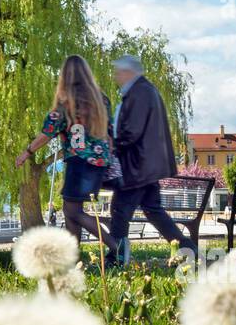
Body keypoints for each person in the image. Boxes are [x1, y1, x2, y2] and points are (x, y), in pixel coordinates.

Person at [16, 56, 119, 260]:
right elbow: (111, 131)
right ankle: (72, 259)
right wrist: (108, 158)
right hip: (98, 163)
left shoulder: (66, 104)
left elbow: (47, 133)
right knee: (72, 210)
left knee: (73, 212)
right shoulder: (102, 100)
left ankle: (117, 246)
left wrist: (26, 152)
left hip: (78, 163)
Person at [109, 54, 196, 264]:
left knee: (119, 210)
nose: (115, 76)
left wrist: (114, 143)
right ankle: (189, 251)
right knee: (154, 211)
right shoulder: (143, 90)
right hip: (146, 165)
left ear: (129, 72)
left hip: (137, 165)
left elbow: (133, 129)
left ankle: (117, 256)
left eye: (118, 72)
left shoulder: (139, 92)